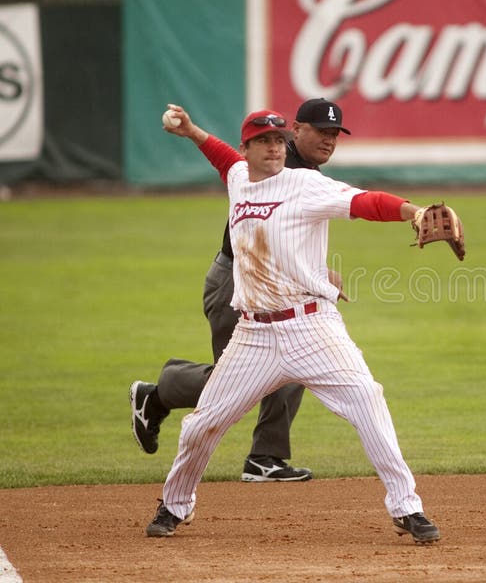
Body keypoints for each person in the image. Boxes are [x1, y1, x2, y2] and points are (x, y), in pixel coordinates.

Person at [144, 103, 445, 545]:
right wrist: (192, 131)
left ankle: (407, 507)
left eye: (277, 140)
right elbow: (223, 158)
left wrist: (413, 212)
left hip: (312, 329)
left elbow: (365, 202)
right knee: (201, 425)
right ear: (248, 148)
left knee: (367, 400)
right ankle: (174, 504)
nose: (273, 147)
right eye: (262, 141)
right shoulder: (239, 177)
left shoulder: (306, 184)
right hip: (253, 335)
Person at [129, 98, 352, 482]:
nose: (329, 140)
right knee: (237, 382)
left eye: (334, 133)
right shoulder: (275, 166)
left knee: (295, 362)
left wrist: (315, 272)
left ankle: (266, 458)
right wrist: (316, 274)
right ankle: (159, 393)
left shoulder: (302, 169)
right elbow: (243, 189)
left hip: (274, 283)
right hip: (239, 281)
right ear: (297, 129)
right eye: (321, 131)